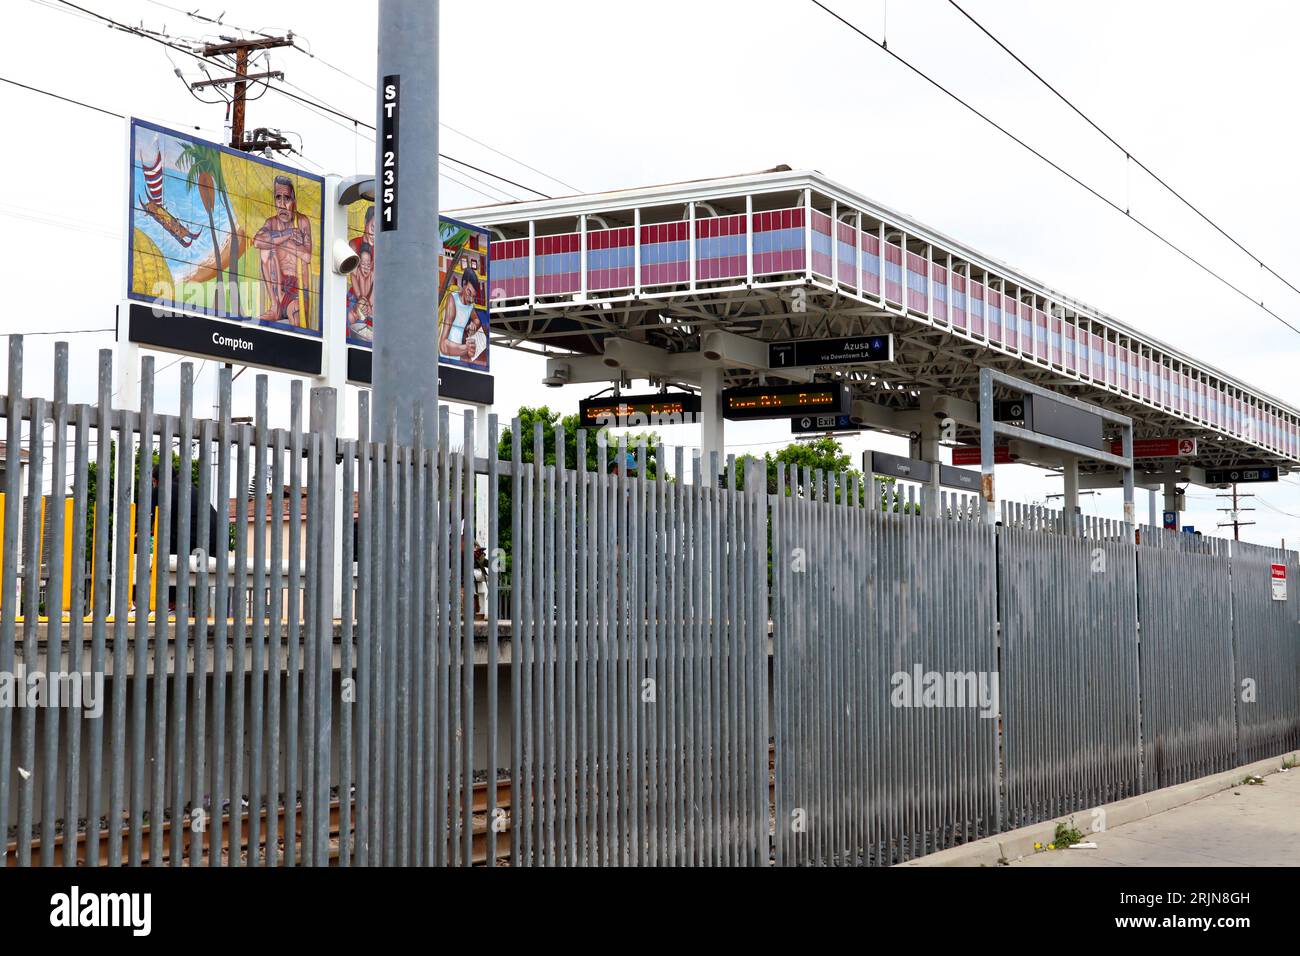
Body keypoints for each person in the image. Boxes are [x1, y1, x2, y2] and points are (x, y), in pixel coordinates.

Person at [253, 175, 314, 328]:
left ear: (294, 201)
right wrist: (287, 236)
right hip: (278, 290)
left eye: (286, 199)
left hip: (296, 291)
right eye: (278, 198)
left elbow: (307, 256)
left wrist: (285, 244)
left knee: (296, 320)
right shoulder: (271, 222)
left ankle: (284, 310)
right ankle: (275, 307)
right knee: (266, 249)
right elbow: (257, 241)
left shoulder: (302, 222)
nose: (281, 204)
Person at [439, 267, 482, 362]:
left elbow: (477, 320)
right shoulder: (452, 300)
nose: (471, 299)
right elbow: (443, 346)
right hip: (445, 357)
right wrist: (466, 348)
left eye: (473, 296)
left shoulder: (470, 305)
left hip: (457, 355)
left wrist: (474, 324)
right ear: (464, 284)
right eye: (469, 292)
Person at [347, 242, 374, 342]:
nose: (365, 266)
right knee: (350, 316)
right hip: (356, 301)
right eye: (363, 263)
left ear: (371, 264)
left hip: (368, 306)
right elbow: (358, 293)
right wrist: (362, 302)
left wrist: (368, 305)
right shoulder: (355, 272)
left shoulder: (373, 275)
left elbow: (372, 297)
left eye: (368, 263)